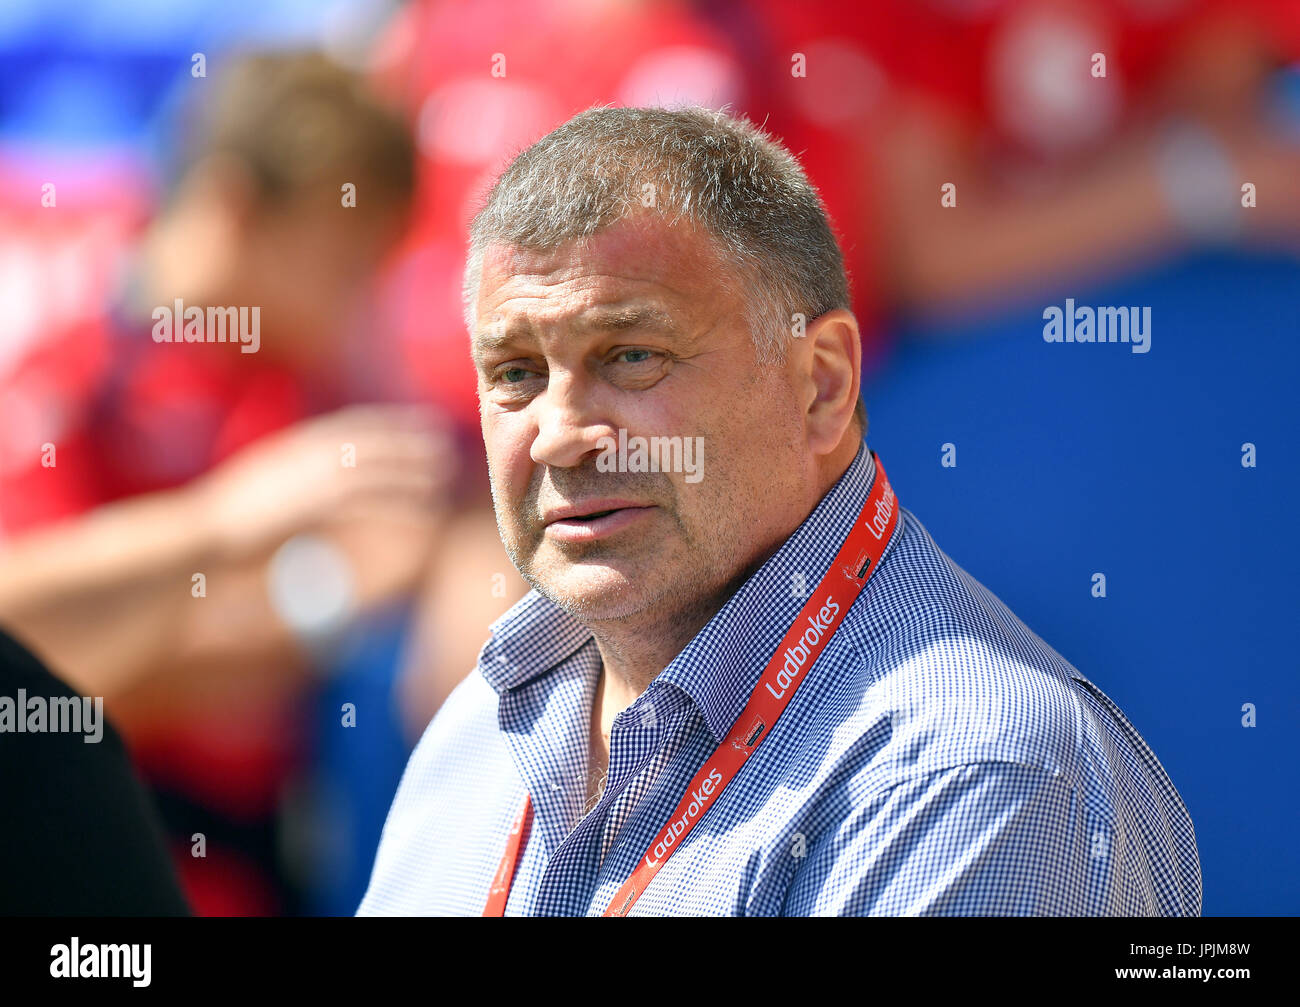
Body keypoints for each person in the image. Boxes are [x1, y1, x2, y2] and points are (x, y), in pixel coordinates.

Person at [357, 105, 1201, 916]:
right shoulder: (486, 719)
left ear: (821, 384)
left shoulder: (973, 771)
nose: (562, 436)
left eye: (633, 355)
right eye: (515, 373)